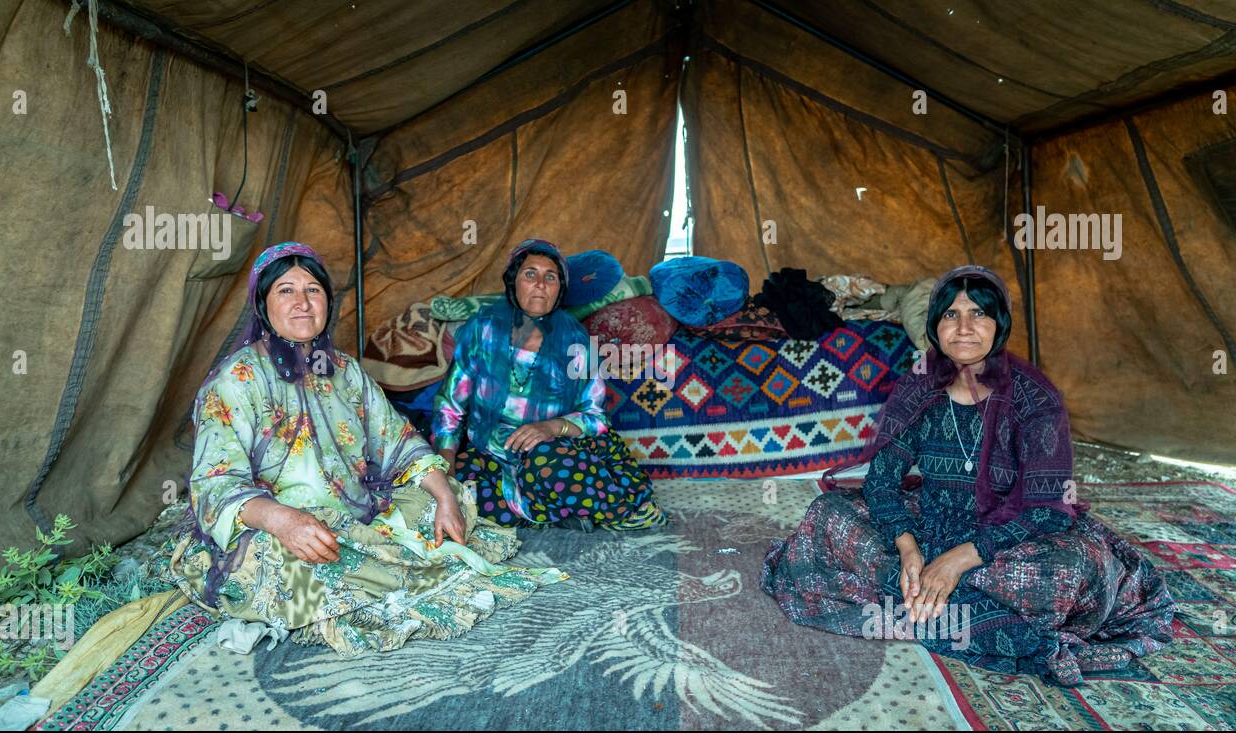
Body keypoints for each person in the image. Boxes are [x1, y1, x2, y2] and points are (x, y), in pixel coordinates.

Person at [761, 265, 1175, 686]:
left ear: (1000, 324)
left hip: (1009, 538)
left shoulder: (1035, 398)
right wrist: (907, 548)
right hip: (930, 521)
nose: (963, 328)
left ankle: (923, 603)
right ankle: (982, 620)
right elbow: (882, 479)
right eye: (950, 315)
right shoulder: (921, 388)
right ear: (934, 325)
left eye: (978, 314)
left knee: (1070, 572)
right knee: (827, 513)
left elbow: (1047, 508)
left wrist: (958, 561)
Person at [165, 241, 564, 656]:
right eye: (286, 290)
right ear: (263, 305)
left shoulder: (343, 370)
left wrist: (444, 496)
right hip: (282, 527)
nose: (302, 303)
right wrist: (282, 520)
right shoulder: (236, 380)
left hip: (358, 515)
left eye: (313, 290)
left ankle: (377, 567)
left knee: (448, 497)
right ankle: (389, 572)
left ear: (327, 302)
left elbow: (399, 441)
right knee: (267, 560)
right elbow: (214, 484)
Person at [433, 238, 665, 531]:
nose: (540, 283)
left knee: (547, 466)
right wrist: (445, 463)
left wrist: (550, 428)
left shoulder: (575, 343)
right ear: (513, 282)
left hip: (558, 449)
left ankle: (599, 506)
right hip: (493, 453)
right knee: (454, 493)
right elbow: (450, 406)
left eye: (550, 277)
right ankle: (563, 511)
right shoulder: (483, 331)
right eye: (530, 274)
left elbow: (595, 416)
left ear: (559, 290)